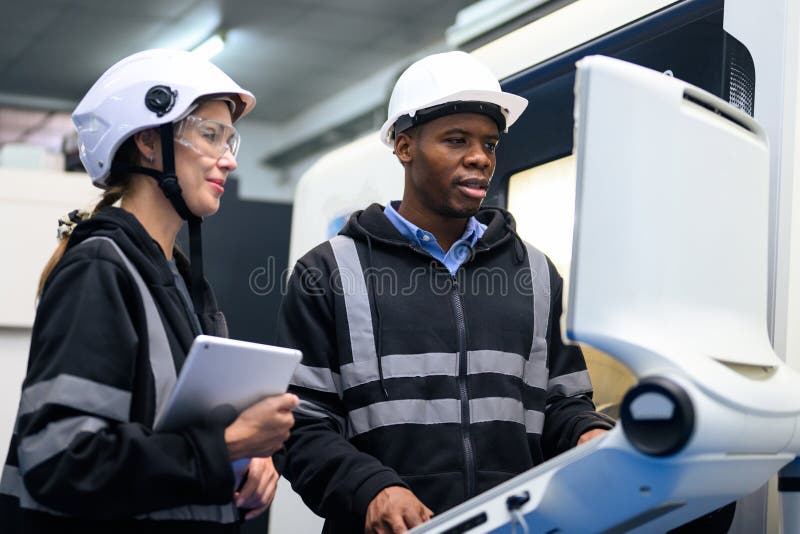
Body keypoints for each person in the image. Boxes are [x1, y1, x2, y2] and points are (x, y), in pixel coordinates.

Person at [276, 50, 614, 534]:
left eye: (489, 144)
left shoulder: (536, 272)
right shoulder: (328, 271)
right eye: (456, 140)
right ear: (405, 146)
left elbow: (561, 403)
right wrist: (371, 487)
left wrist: (588, 434)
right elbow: (301, 423)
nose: (479, 157)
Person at [0, 49, 298, 533]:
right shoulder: (99, 269)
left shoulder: (178, 282)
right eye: (210, 135)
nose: (229, 160)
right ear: (148, 142)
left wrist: (248, 462)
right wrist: (226, 446)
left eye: (230, 139)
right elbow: (60, 458)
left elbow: (174, 435)